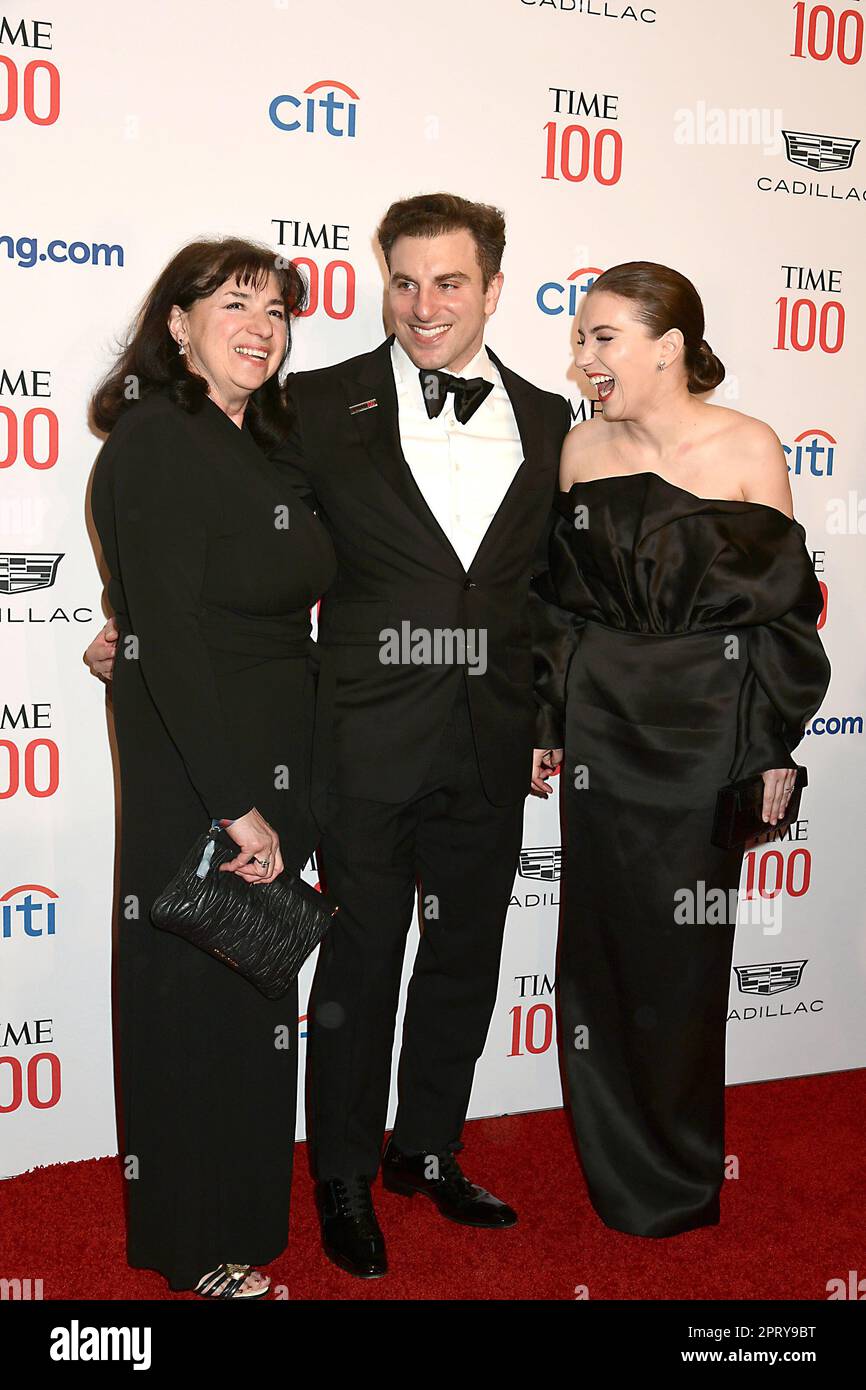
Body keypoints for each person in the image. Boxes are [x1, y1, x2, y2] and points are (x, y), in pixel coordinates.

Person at [86, 192, 571, 1280]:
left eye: (449, 282)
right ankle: (343, 1174)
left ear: (493, 288)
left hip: (487, 736)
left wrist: (544, 714)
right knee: (357, 958)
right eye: (402, 280)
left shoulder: (547, 419)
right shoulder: (309, 402)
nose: (422, 303)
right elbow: (208, 532)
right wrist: (131, 628)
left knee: (464, 954)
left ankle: (428, 1149)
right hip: (354, 736)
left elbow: (548, 591)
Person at [529, 261, 831, 1237]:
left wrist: (768, 746)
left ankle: (678, 1174)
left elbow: (784, 620)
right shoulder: (578, 451)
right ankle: (614, 1162)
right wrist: (547, 722)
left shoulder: (746, 446)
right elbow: (558, 610)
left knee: (683, 958)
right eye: (578, 337)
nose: (581, 357)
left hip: (704, 731)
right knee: (599, 950)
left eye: (601, 337)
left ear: (668, 345)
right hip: (603, 730)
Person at [88, 238, 336, 1296]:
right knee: (188, 996)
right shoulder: (155, 437)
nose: (262, 326)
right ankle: (192, 1244)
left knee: (248, 990)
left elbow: (183, 590)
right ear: (176, 322)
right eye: (235, 303)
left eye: (278, 310)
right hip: (204, 767)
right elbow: (175, 642)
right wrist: (235, 807)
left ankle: (237, 1219)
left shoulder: (267, 447)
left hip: (277, 759)